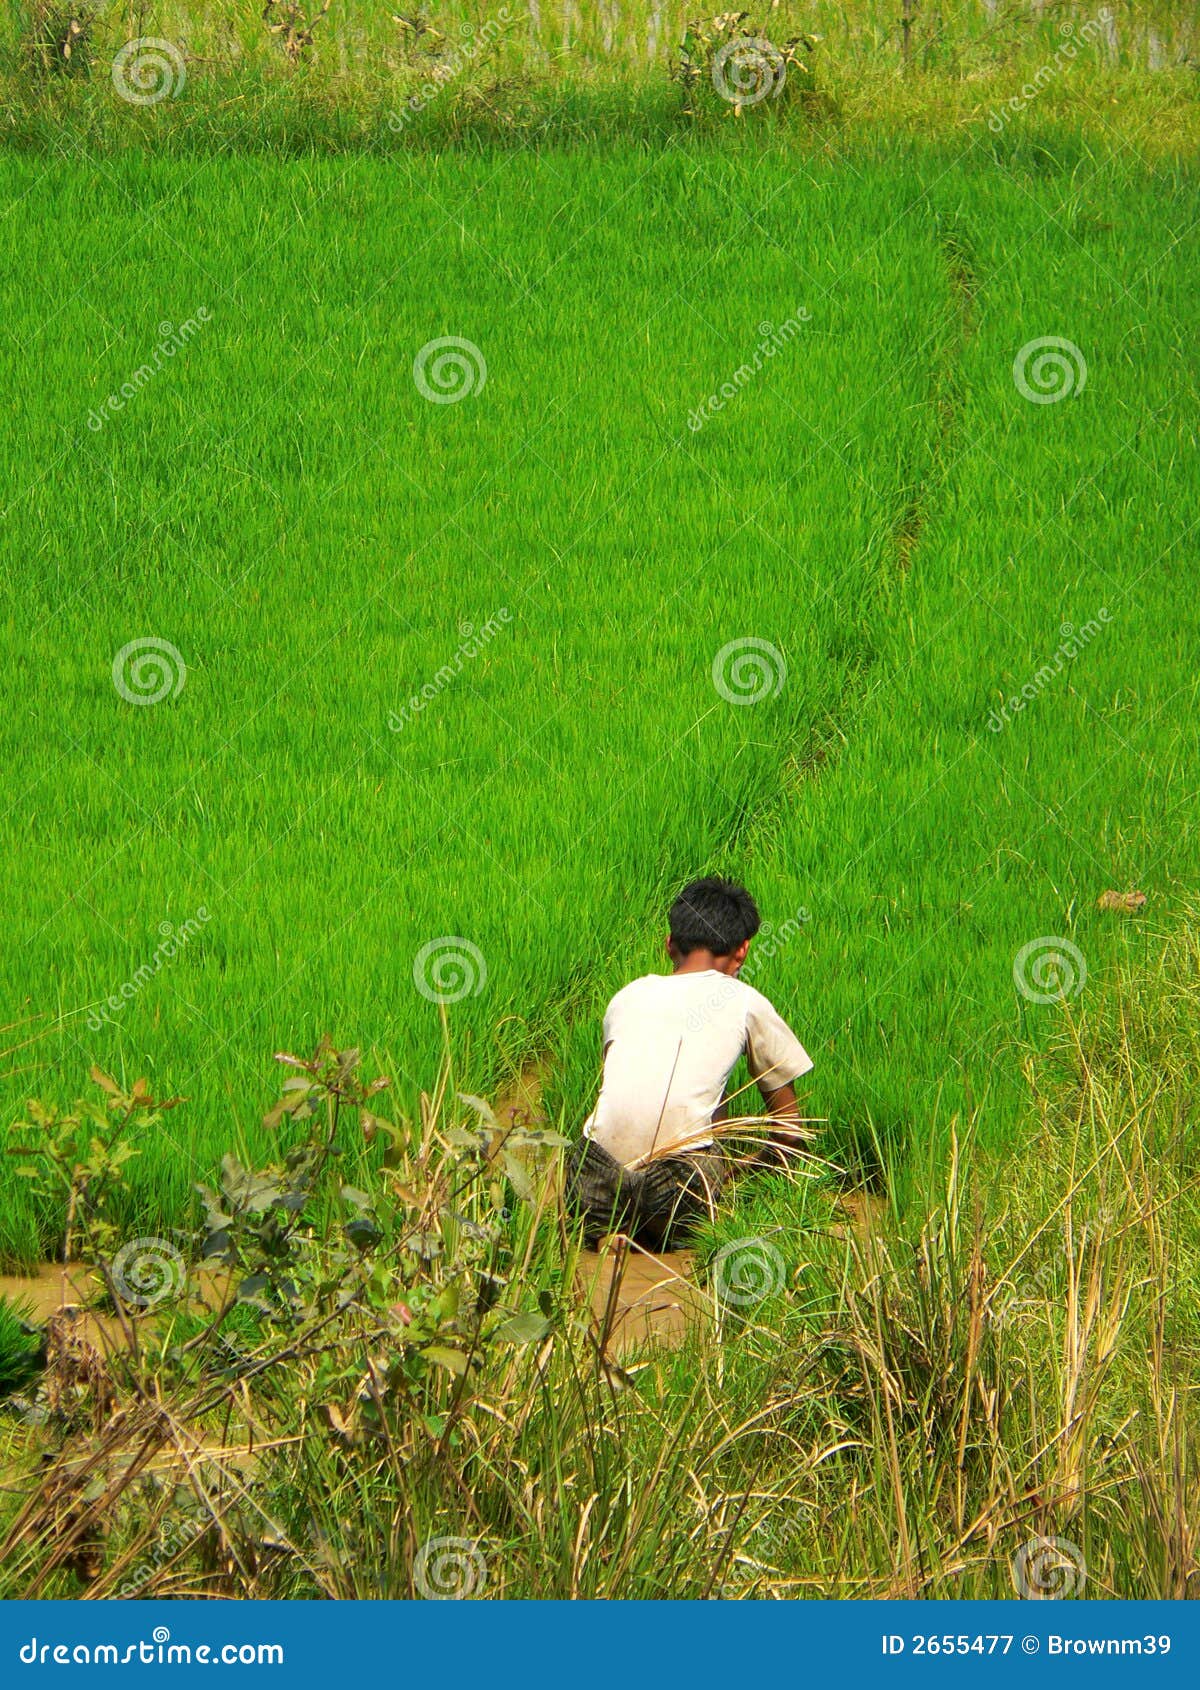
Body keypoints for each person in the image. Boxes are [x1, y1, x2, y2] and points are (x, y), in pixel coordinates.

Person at [564, 876, 812, 1250]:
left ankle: (608, 1232)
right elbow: (790, 1133)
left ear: (669, 944)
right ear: (742, 951)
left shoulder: (627, 996)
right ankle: (664, 1228)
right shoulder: (746, 1002)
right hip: (678, 1190)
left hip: (593, 1181)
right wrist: (733, 1174)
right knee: (708, 1122)